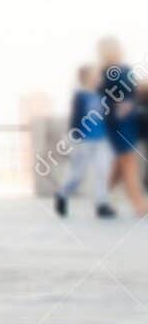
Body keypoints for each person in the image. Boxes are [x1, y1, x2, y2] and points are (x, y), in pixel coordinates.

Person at [97, 37, 147, 216]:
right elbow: (102, 99)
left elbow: (133, 93)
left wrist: (129, 103)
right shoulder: (104, 73)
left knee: (121, 162)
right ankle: (140, 205)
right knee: (128, 161)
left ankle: (101, 197)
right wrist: (116, 105)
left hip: (130, 121)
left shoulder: (124, 69)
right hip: (117, 123)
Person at [56, 64, 115, 218]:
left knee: (103, 171)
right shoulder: (80, 96)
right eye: (95, 75)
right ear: (86, 77)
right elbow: (75, 119)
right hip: (83, 141)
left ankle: (102, 204)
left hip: (101, 140)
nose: (98, 78)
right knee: (78, 174)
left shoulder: (101, 95)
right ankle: (62, 194)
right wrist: (73, 138)